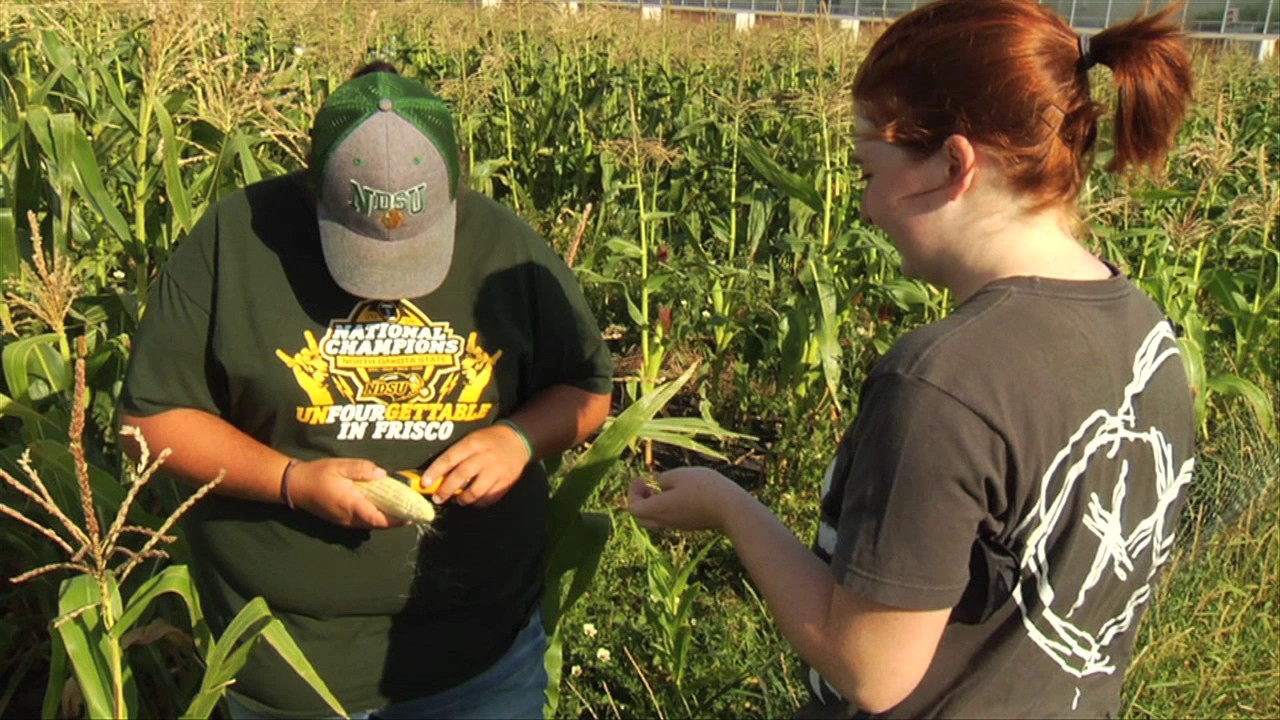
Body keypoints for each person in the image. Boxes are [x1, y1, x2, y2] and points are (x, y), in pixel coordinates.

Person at [628, 1, 1196, 717]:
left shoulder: (944, 382)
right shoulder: (1147, 332)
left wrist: (731, 508)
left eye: (872, 171)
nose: (868, 207)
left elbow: (870, 670)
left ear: (954, 164)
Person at [120, 63, 613, 719]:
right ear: (313, 183)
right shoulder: (234, 242)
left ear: (454, 183)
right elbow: (149, 421)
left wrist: (517, 439)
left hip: (482, 655)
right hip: (292, 663)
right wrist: (291, 481)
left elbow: (586, 387)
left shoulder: (505, 248)